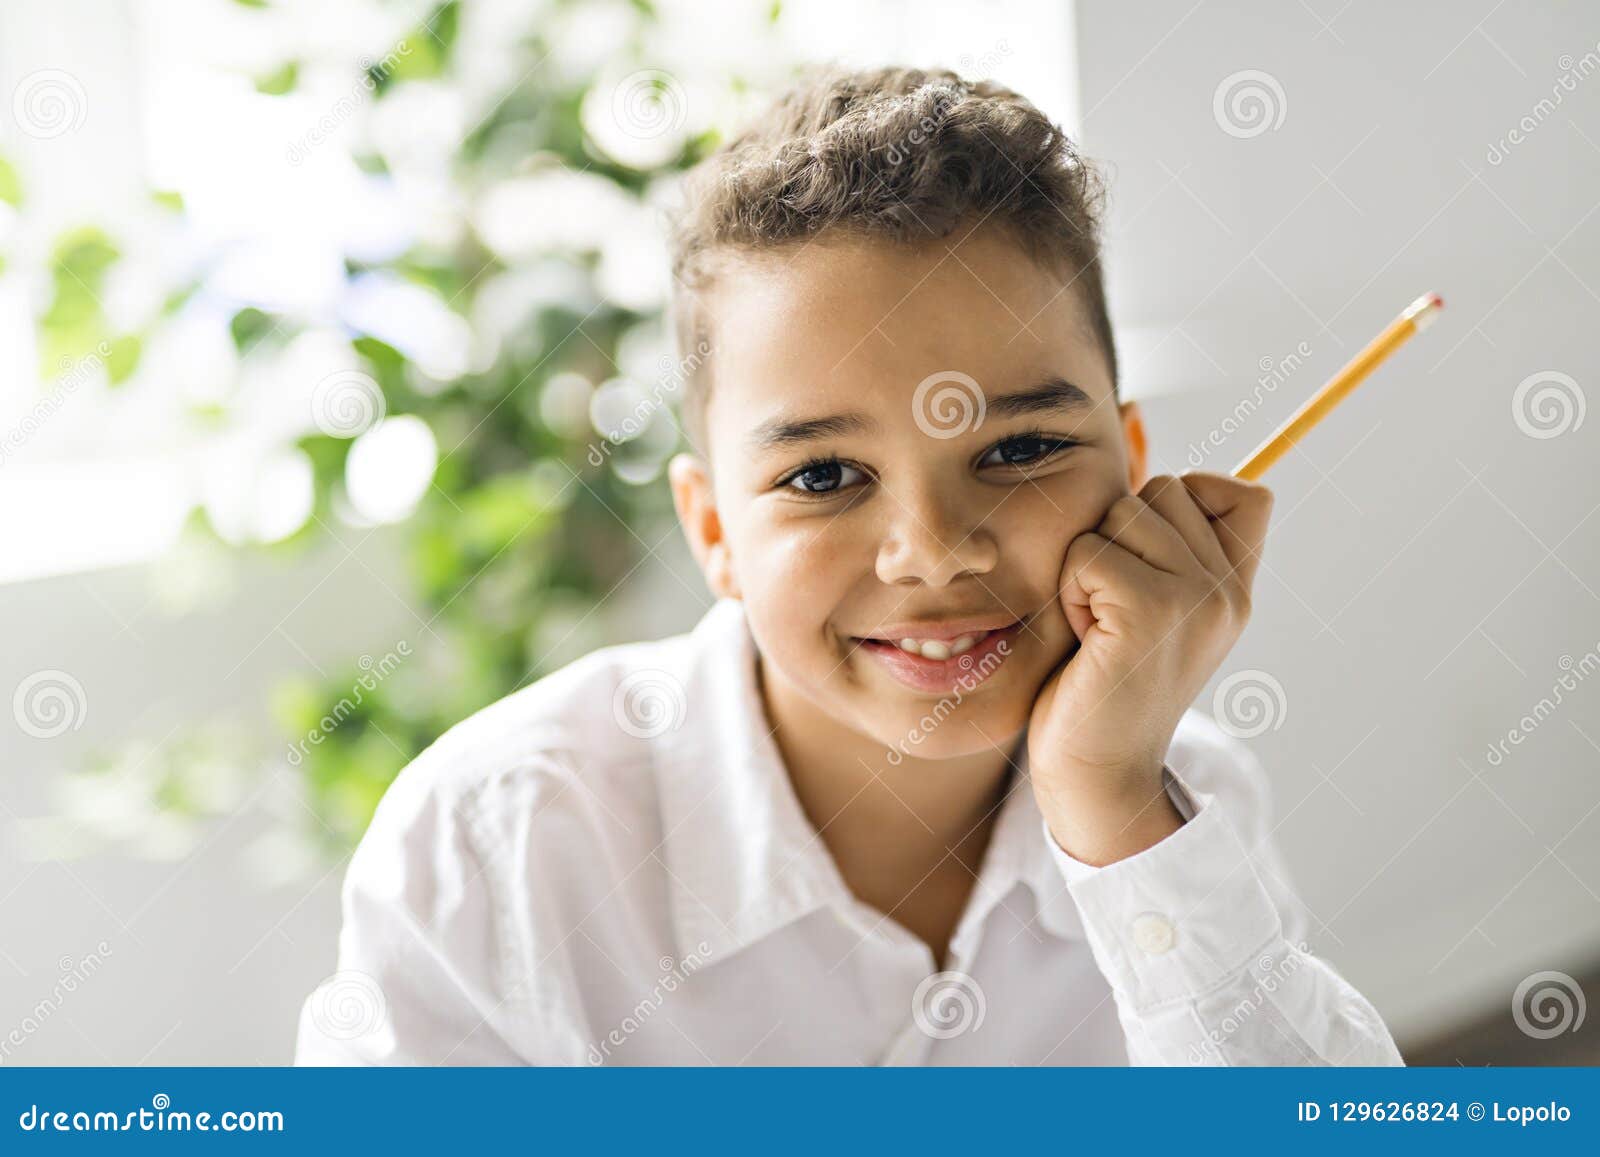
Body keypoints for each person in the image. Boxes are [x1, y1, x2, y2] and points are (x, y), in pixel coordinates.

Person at [295, 66, 1403, 1066]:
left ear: (1133, 466)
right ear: (714, 529)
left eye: (1018, 449)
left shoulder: (1177, 802)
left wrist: (1114, 809)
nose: (933, 550)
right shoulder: (497, 846)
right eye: (824, 476)